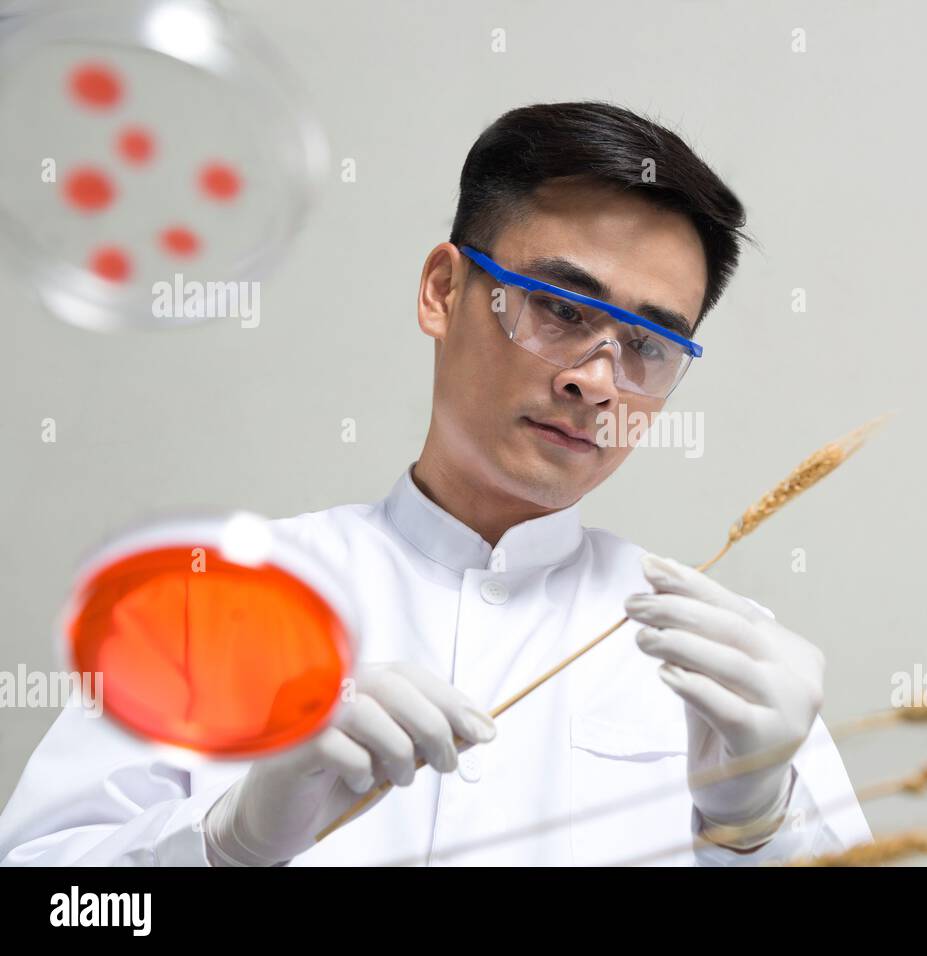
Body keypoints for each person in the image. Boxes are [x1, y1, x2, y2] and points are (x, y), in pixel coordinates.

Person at [0, 101, 872, 866]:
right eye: (562, 308)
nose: (597, 381)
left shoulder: (728, 659)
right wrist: (226, 845)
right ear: (442, 289)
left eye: (648, 345)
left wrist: (759, 828)